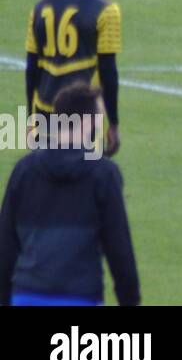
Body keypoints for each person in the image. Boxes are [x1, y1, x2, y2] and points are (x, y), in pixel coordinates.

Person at [0, 82, 140, 306]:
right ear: (86, 122)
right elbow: (119, 249)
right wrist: (130, 301)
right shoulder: (103, 174)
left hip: (27, 296)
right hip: (80, 297)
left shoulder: (24, 171)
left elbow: (5, 246)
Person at [25, 0, 120, 156]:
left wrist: (30, 118)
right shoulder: (106, 10)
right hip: (84, 113)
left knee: (45, 179)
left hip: (45, 109)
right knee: (84, 180)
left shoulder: (40, 8)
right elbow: (108, 72)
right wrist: (113, 124)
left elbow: (31, 70)